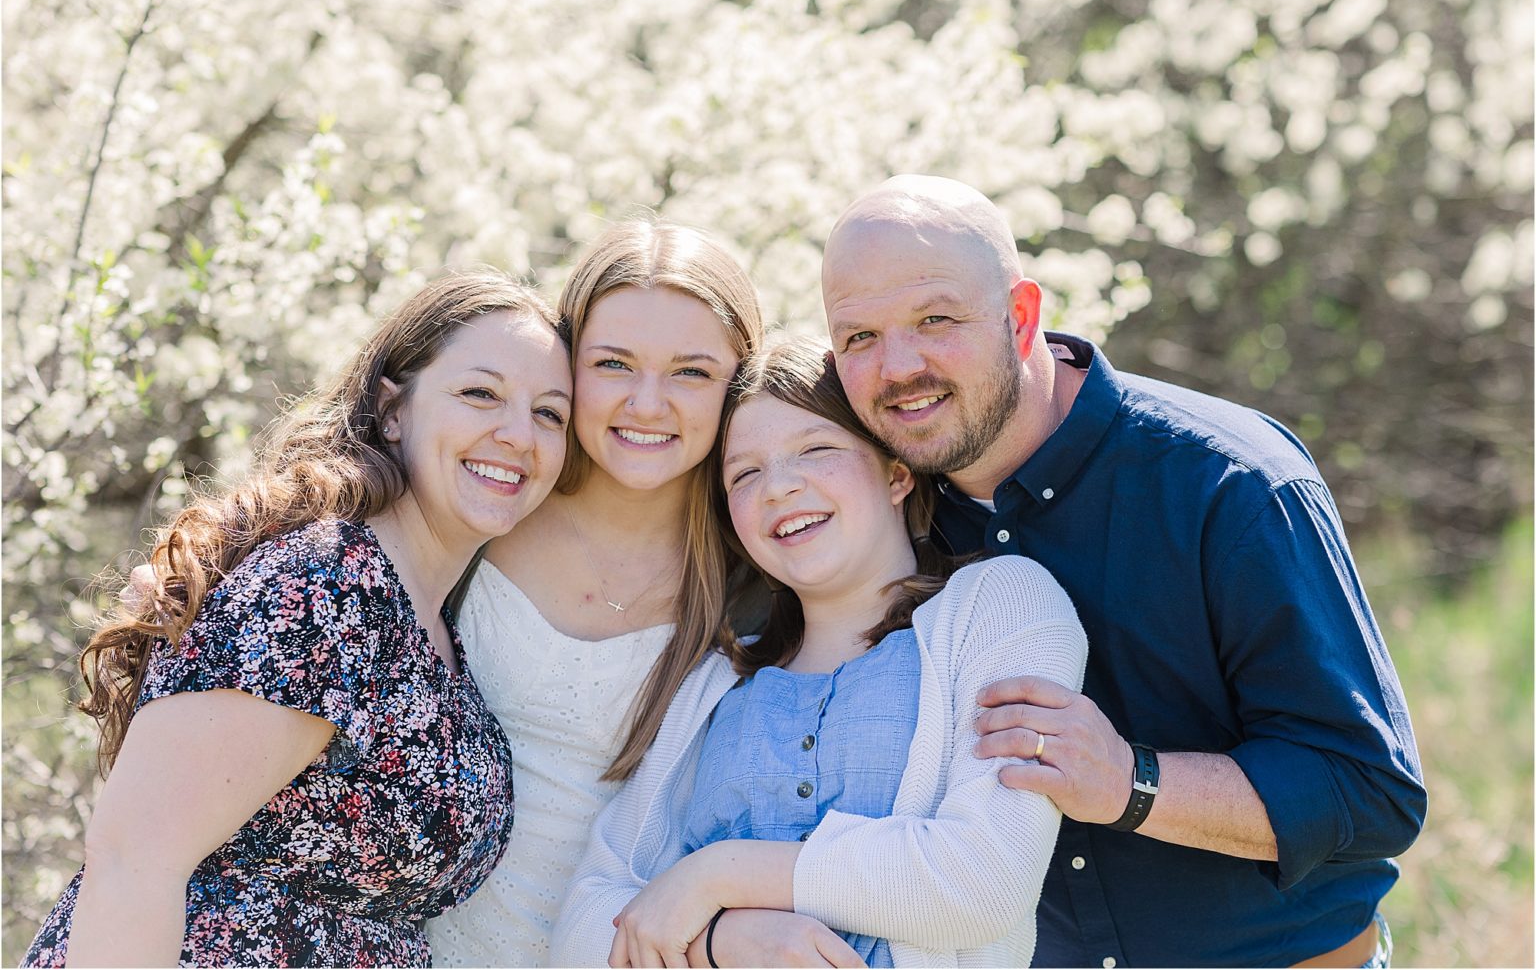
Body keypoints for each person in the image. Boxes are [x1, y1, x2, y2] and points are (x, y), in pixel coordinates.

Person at [817, 174, 1427, 967]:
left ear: (1021, 316)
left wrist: (1131, 784)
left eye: (935, 319)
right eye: (859, 337)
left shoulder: (1232, 485)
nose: (899, 366)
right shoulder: (865, 516)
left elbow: (1369, 790)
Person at [22, 271, 574, 967]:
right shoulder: (328, 582)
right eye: (480, 394)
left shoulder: (432, 625)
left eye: (549, 414)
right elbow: (133, 860)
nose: (518, 434)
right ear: (393, 409)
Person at [551, 336, 1090, 969]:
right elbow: (583, 931)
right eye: (744, 474)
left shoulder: (998, 607)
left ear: (897, 473)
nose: (778, 488)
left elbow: (985, 879)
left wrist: (718, 875)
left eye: (816, 450)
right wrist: (723, 942)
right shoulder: (713, 683)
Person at [425, 218, 769, 966]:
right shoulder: (483, 507)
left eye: (691, 373)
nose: (647, 404)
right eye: (614, 364)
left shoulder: (762, 582)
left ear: (738, 387)